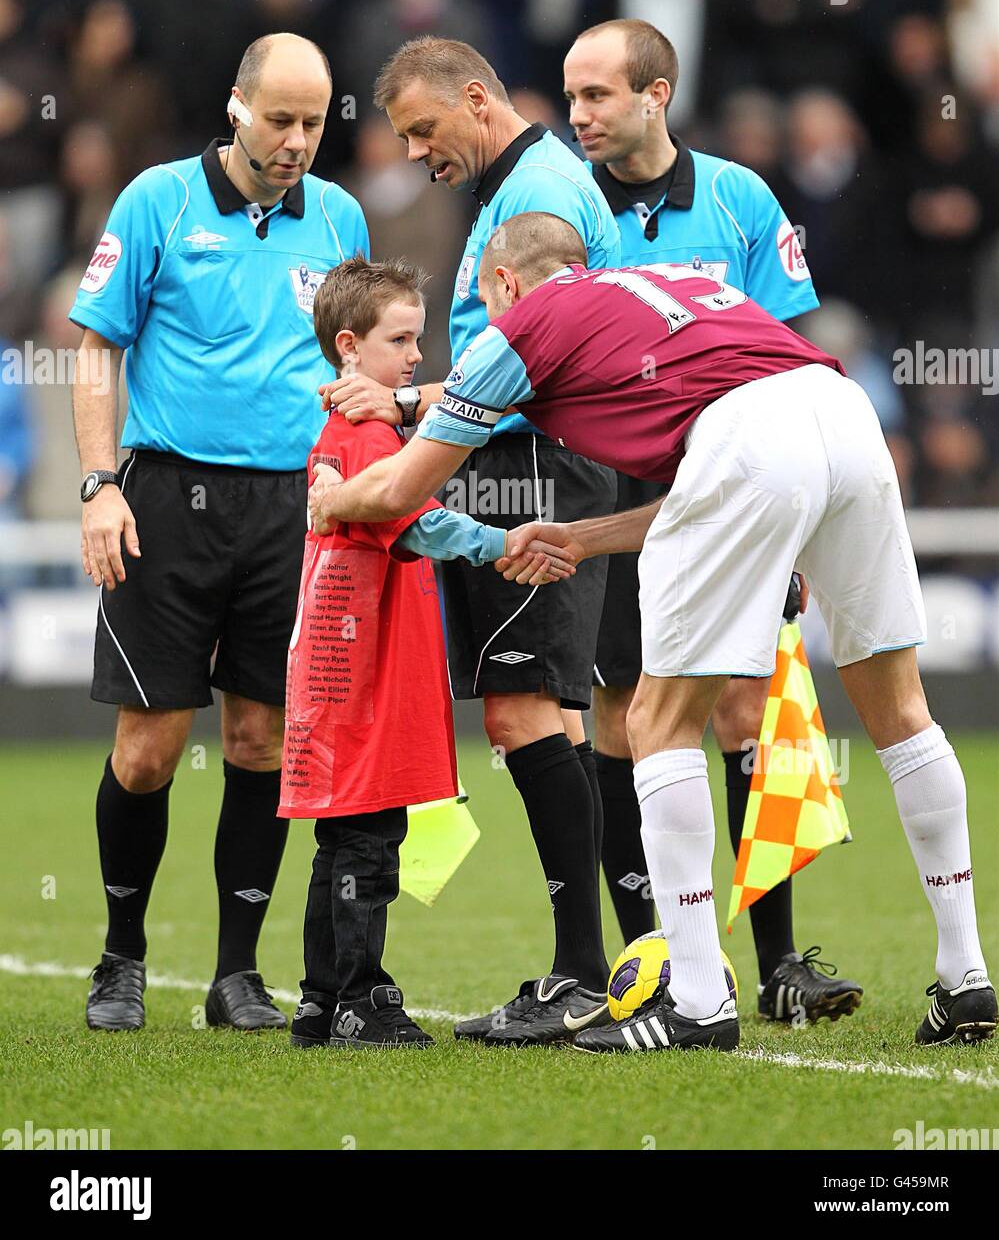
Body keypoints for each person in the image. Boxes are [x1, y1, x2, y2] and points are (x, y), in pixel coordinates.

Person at [308, 215, 995, 1054]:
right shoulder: (682, 286)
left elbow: (400, 490)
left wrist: (330, 498)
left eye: (483, 299)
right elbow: (712, 486)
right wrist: (584, 538)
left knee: (653, 723)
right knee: (900, 712)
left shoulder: (518, 324)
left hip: (758, 441)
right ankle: (965, 978)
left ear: (504, 284)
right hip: (843, 417)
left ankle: (699, 1002)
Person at [562, 16, 861, 1023]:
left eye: (598, 95)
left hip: (741, 498)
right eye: (571, 97)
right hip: (613, 495)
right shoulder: (567, 211)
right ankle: (658, 959)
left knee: (746, 712)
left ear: (659, 91)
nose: (580, 116)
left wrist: (806, 508)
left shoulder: (740, 198)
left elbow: (793, 350)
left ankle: (776, 963)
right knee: (620, 715)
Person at [325, 37, 621, 1045]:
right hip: (537, 463)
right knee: (563, 725)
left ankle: (583, 971)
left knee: (522, 718)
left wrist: (404, 397)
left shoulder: (537, 196)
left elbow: (539, 360)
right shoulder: (523, 186)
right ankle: (604, 962)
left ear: (478, 97)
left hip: (530, 468)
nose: (414, 152)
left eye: (423, 129)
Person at [71, 33, 369, 1032]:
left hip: (291, 510)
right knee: (149, 751)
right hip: (165, 503)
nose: (296, 141)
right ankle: (121, 957)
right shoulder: (156, 199)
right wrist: (98, 487)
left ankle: (236, 972)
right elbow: (93, 350)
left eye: (315, 123)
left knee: (260, 740)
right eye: (279, 119)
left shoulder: (338, 216)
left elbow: (354, 367)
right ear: (236, 105)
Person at [285, 255, 568, 1049]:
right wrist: (500, 540)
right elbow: (418, 521)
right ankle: (359, 998)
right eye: (400, 340)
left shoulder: (356, 428)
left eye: (419, 337)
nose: (416, 356)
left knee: (345, 832)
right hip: (363, 665)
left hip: (342, 660)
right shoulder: (371, 432)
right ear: (350, 347)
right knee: (368, 839)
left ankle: (319, 999)